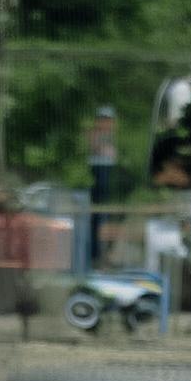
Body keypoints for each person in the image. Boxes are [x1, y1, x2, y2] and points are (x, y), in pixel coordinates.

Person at [88, 106, 118, 265]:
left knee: (108, 218)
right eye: (103, 120)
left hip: (110, 178)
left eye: (108, 120)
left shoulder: (114, 138)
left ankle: (105, 254)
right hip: (98, 175)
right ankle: (94, 255)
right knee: (97, 217)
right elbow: (96, 148)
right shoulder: (95, 136)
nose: (106, 123)